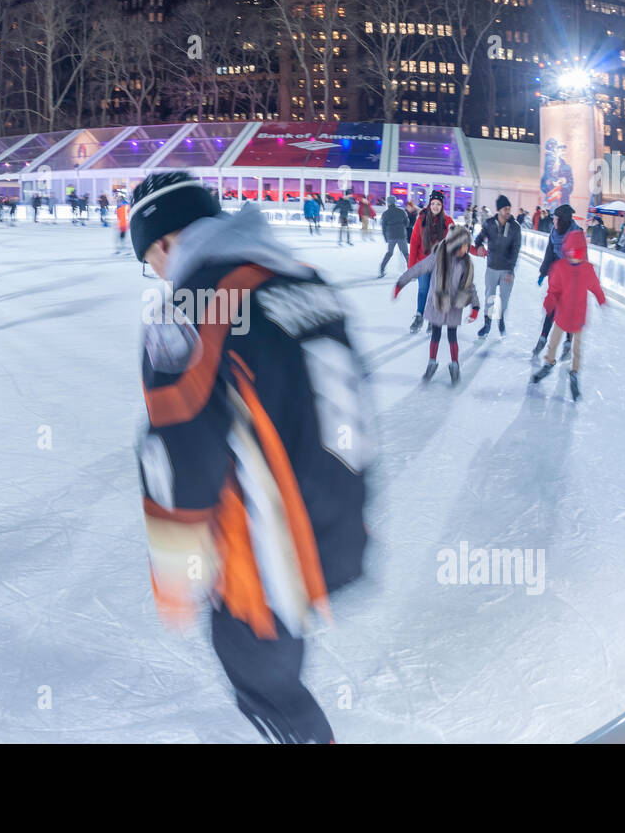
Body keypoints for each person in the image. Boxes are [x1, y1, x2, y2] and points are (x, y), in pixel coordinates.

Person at [128, 170, 369, 744]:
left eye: (149, 259)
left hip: (263, 553)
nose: (156, 273)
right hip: (334, 521)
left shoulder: (190, 305)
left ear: (164, 240)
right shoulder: (306, 280)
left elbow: (180, 446)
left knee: (264, 685)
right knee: (280, 667)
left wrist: (177, 572)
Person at [396, 225, 479, 384]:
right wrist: (401, 283)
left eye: (468, 245)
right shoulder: (438, 256)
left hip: (454, 307)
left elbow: (470, 286)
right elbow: (419, 268)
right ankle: (431, 363)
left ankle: (455, 365)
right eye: (464, 245)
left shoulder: (466, 263)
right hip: (437, 304)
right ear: (455, 244)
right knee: (435, 334)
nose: (467, 249)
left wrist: (475, 307)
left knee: (452, 336)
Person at [530, 229, 606, 401]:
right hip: (562, 315)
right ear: (567, 252)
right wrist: (550, 301)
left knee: (576, 349)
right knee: (553, 342)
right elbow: (554, 289)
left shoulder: (587, 270)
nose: (575, 258)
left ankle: (575, 372)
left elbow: (595, 287)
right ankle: (549, 363)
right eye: (572, 254)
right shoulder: (561, 268)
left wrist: (601, 298)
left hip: (578, 317)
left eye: (579, 254)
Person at [532, 204, 582, 361]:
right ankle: (543, 337)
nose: (553, 220)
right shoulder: (554, 232)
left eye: (556, 218)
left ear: (563, 220)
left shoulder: (576, 233)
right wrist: (543, 272)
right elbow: (549, 253)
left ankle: (567, 341)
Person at [473, 195, 521, 337]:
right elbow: (478, 239)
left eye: (509, 209)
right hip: (492, 266)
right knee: (490, 297)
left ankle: (500, 319)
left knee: (504, 299)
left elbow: (515, 249)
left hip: (507, 269)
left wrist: (511, 270)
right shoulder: (489, 224)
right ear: (499, 210)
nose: (508, 211)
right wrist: (480, 246)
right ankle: (487, 324)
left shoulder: (515, 227)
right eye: (505, 209)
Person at [407, 191, 454, 332]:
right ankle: (419, 316)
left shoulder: (448, 222)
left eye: (438, 204)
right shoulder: (421, 219)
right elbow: (414, 243)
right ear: (429, 204)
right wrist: (411, 267)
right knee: (423, 290)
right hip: (423, 263)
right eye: (433, 203)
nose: (435, 206)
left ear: (442, 206)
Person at [378, 195, 410, 277]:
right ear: (395, 202)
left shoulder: (385, 213)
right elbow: (407, 223)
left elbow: (383, 227)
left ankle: (382, 269)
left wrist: (386, 238)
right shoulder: (402, 211)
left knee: (389, 253)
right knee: (406, 254)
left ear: (388, 203)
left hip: (391, 236)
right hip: (401, 235)